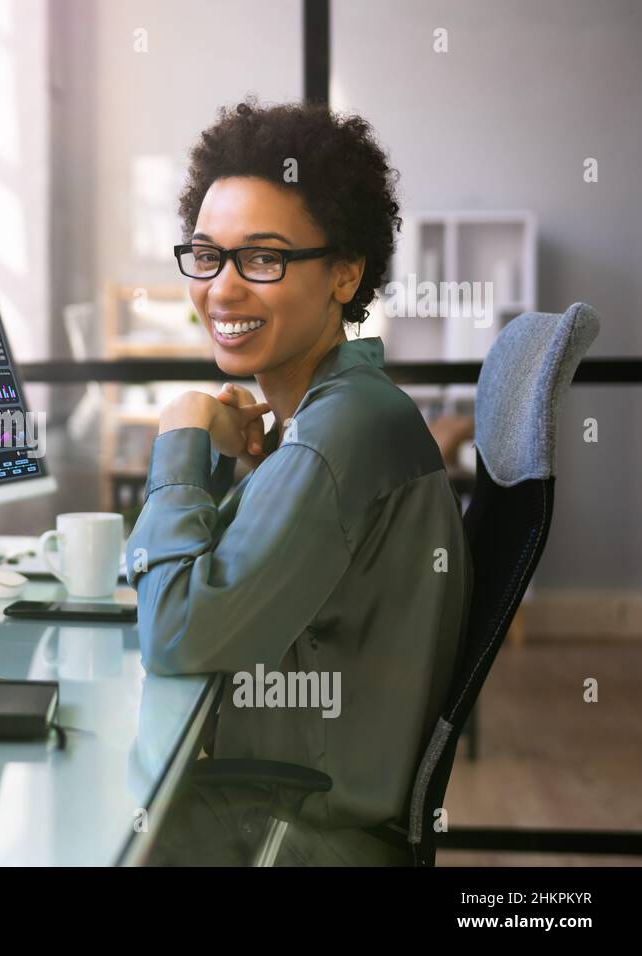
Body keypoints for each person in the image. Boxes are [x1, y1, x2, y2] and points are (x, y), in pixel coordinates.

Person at [127, 99, 471, 866]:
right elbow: (239, 588)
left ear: (345, 273)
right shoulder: (338, 414)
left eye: (264, 258)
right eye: (207, 255)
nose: (221, 288)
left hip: (294, 838)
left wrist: (183, 433)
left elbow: (176, 634)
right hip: (286, 804)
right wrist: (234, 459)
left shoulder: (336, 437)